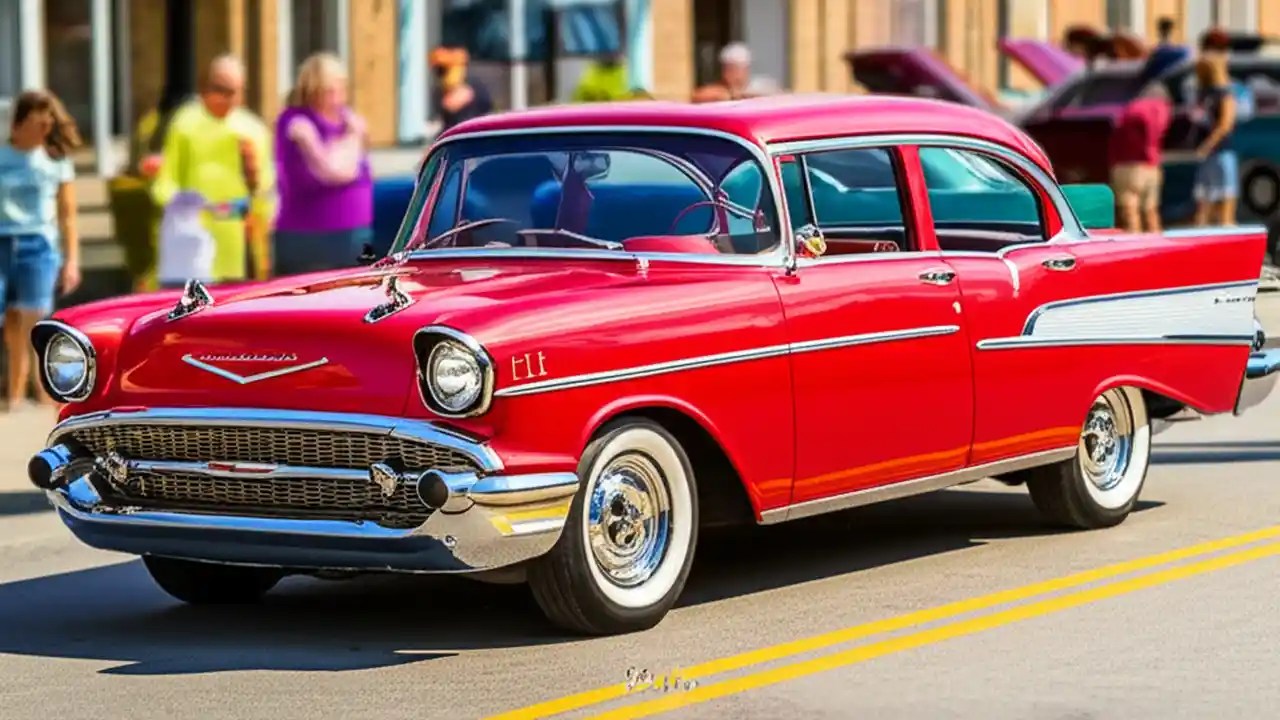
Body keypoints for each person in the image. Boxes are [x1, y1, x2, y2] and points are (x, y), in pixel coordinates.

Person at [0, 89, 81, 411]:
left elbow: (68, 215)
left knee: (37, 319)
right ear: (20, 124)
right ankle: (15, 392)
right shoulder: (3, 156)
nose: (44, 130)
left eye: (48, 125)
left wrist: (72, 260)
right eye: (38, 124)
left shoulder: (56, 161)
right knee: (11, 321)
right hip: (3, 240)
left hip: (39, 244)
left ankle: (43, 390)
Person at [272, 52, 373, 276]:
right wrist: (354, 138)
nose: (339, 92)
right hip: (310, 238)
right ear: (313, 89)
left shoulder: (348, 120)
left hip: (355, 234)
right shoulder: (296, 122)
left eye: (341, 85)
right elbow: (334, 171)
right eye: (331, 87)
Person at [1108, 79, 1172, 233]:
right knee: (1151, 211)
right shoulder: (1162, 109)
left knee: (1130, 210)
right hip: (1151, 166)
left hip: (1128, 164)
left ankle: (1136, 248)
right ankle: (1158, 249)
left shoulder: (1133, 109)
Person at [1191, 34, 1239, 226]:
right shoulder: (1204, 94)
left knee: (1225, 206)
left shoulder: (1225, 94)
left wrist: (1206, 145)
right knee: (1204, 206)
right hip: (1209, 154)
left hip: (1220, 153)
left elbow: (1225, 125)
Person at [429, 47, 492, 132]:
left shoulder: (471, 87)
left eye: (443, 70)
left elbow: (451, 104)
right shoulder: (440, 91)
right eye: (438, 71)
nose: (439, 76)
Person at [692, 43, 757, 103]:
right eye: (732, 69)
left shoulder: (755, 88)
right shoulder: (718, 90)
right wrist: (730, 95)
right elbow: (696, 96)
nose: (737, 74)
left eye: (741, 69)